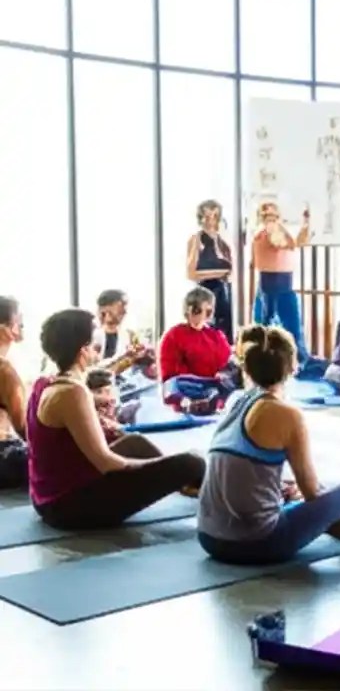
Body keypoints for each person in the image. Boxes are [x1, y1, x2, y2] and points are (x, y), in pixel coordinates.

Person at [198, 325, 340, 564]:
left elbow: (241, 467)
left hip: (208, 538)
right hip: (259, 543)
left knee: (291, 493)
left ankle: (327, 522)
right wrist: (315, 501)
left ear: (248, 367)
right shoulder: (287, 415)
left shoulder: (235, 402)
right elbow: (312, 492)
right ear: (293, 367)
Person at [27, 309, 205, 530]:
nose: (99, 350)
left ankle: (195, 487)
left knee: (135, 443)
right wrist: (161, 469)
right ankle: (204, 488)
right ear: (83, 350)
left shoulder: (45, 382)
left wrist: (126, 358)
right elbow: (107, 463)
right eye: (95, 345)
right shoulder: (72, 393)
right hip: (68, 506)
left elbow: (99, 370)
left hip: (47, 496)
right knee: (192, 462)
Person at [159, 287, 238, 415]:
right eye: (194, 310)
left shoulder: (216, 336)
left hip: (217, 403)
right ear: (186, 310)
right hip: (185, 406)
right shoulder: (173, 336)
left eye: (205, 311)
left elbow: (228, 367)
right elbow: (169, 381)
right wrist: (186, 402)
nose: (196, 315)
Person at [251, 200, 311, 361]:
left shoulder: (276, 231)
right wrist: (280, 225)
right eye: (267, 215)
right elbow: (288, 243)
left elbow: (299, 242)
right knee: (270, 326)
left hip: (283, 282)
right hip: (271, 283)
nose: (271, 218)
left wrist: (306, 223)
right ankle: (268, 360)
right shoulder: (265, 232)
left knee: (290, 327)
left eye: (274, 215)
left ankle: (297, 359)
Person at [92, 289, 157, 401]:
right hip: (100, 392)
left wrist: (147, 358)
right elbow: (94, 371)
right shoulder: (92, 337)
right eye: (121, 305)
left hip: (127, 390)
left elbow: (144, 363)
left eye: (125, 306)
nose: (125, 311)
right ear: (105, 308)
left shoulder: (131, 336)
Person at [187, 199, 235, 343]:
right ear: (200, 218)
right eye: (207, 216)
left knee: (224, 332)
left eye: (214, 216)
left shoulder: (223, 240)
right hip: (205, 290)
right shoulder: (196, 239)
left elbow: (231, 270)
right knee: (206, 330)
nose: (210, 221)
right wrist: (218, 273)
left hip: (224, 290)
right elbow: (191, 273)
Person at [0, 296, 29, 489]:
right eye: (19, 319)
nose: (22, 324)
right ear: (5, 329)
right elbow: (24, 428)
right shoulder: (4, 370)